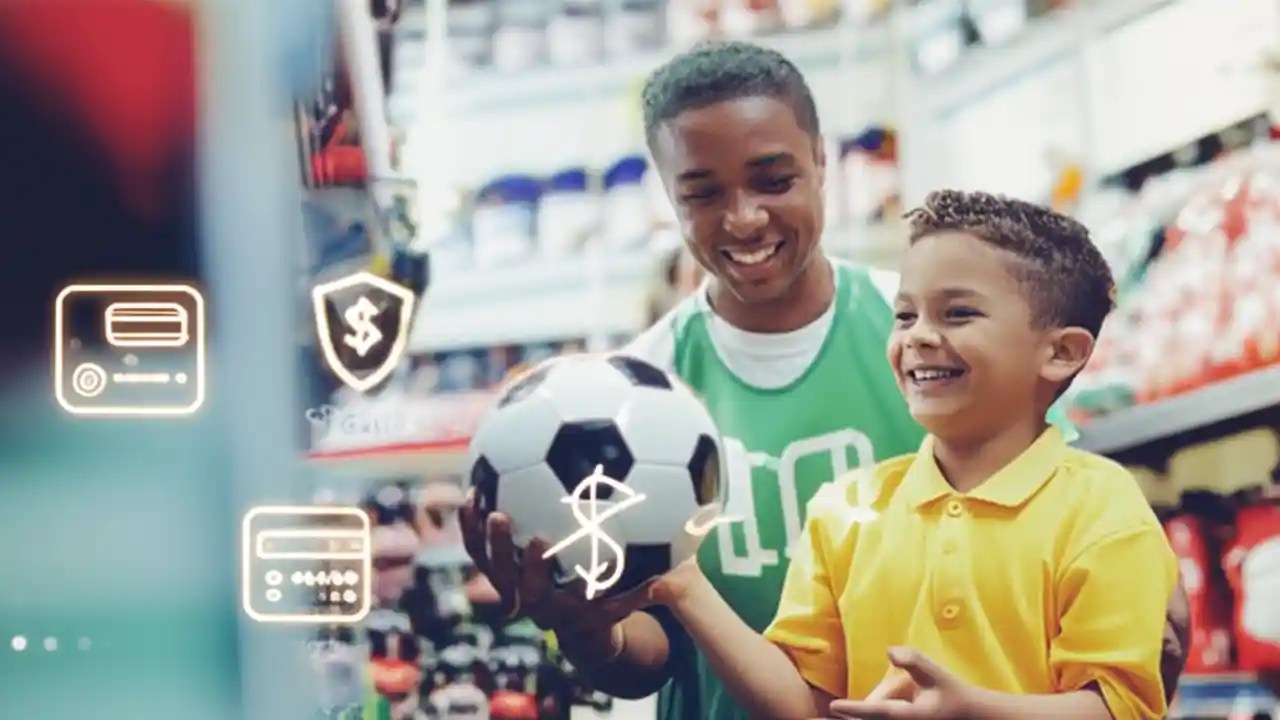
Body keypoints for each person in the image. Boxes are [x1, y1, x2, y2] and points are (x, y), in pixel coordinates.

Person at [459, 42, 1189, 720]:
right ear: (668, 197)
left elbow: (1069, 505)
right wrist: (586, 631)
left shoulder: (935, 336)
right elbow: (651, 649)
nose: (744, 218)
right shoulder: (636, 389)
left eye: (774, 180)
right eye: (703, 194)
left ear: (821, 160)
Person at [644, 189, 1179, 720]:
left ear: (1061, 353)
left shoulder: (1103, 511)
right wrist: (685, 586)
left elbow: (1118, 708)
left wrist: (973, 712)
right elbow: (804, 704)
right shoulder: (846, 509)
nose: (919, 336)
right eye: (905, 316)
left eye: (958, 313)